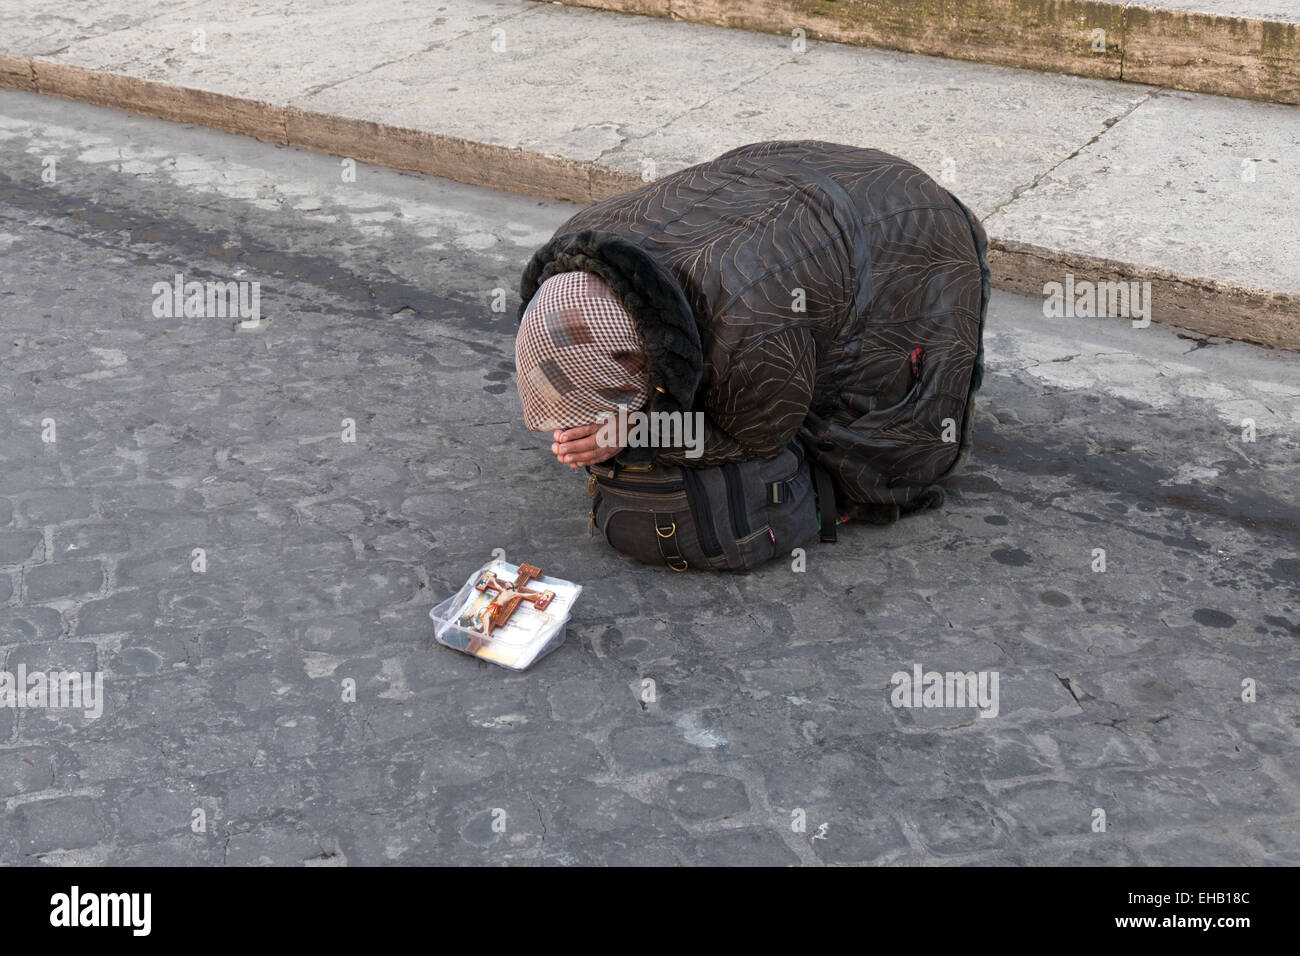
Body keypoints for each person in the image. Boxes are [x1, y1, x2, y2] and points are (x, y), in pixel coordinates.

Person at [515, 139, 989, 526]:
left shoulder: (750, 334)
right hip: (794, 182)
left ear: (636, 361)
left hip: (908, 220)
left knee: (879, 406)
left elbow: (755, 439)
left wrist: (640, 431)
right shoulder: (579, 242)